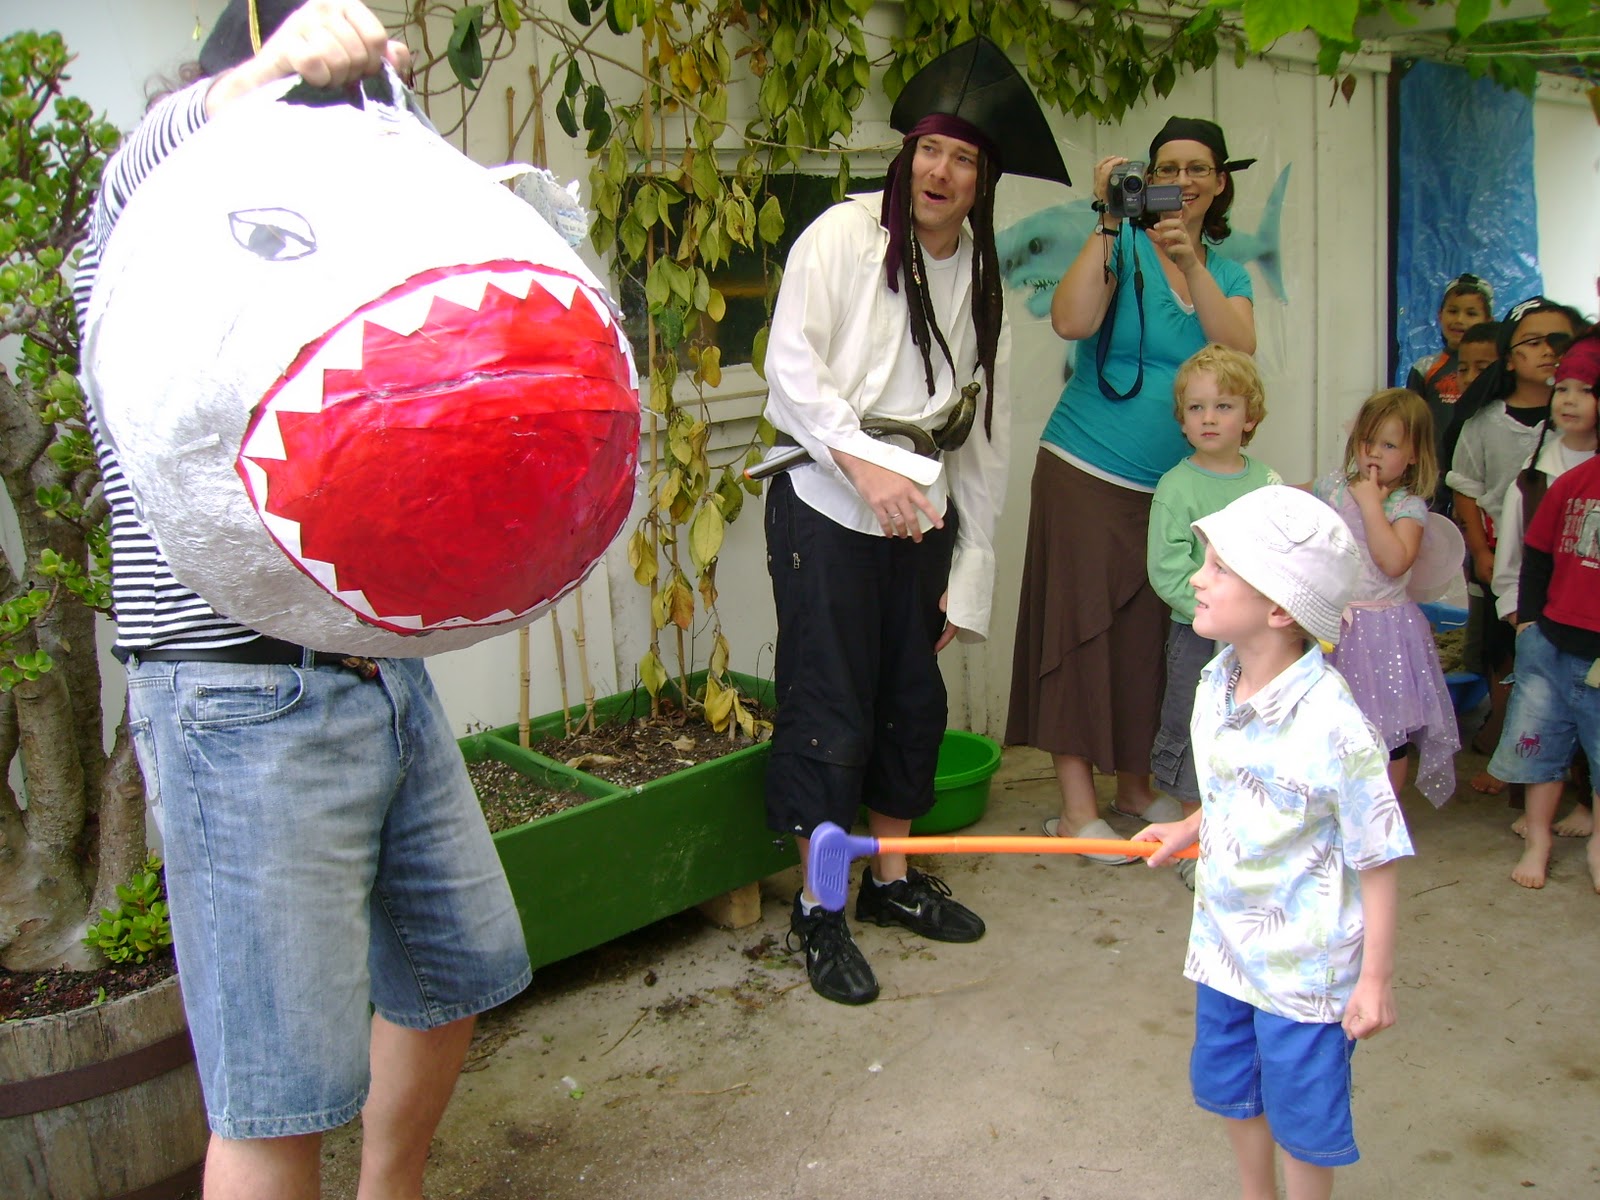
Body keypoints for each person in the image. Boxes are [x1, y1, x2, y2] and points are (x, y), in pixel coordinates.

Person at [77, 3, 532, 1195]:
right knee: (276, 1094)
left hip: (380, 673)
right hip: (236, 700)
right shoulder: (162, 221)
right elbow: (138, 169)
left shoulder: (338, 238)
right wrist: (270, 74)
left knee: (456, 972)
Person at [757, 38, 1070, 1006]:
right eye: (930, 149)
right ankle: (820, 907)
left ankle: (890, 884)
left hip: (919, 517)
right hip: (827, 507)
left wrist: (969, 565)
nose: (941, 171)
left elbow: (985, 432)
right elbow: (790, 369)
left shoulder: (978, 274)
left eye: (964, 158)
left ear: (983, 181)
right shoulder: (842, 237)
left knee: (910, 701)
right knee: (828, 707)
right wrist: (864, 468)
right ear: (907, 155)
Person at [1137, 486, 1413, 1200]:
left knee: (1302, 1117)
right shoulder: (1215, 680)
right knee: (1234, 1091)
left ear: (1280, 609)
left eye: (1219, 567)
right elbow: (1240, 789)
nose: (1198, 577)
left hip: (1303, 972)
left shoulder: (1335, 728)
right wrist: (1191, 826)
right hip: (1224, 948)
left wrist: (1375, 979)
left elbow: (1378, 855)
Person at [1008, 116, 1256, 855]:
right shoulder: (1119, 244)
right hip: (1086, 470)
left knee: (1156, 642)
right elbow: (1071, 319)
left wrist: (1192, 262)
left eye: (1197, 168)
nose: (1182, 181)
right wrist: (1108, 223)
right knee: (1080, 634)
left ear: (1219, 183)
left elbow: (1238, 349)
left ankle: (1136, 788)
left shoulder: (1228, 273)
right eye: (1166, 168)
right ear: (1145, 180)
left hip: (1177, 490)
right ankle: (1077, 809)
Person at [1146, 344, 1279, 882]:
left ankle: (1251, 835)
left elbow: (1282, 556)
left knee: (1258, 729)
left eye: (1224, 406)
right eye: (1196, 407)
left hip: (1262, 639)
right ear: (1182, 420)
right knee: (1195, 726)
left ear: (1250, 417)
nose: (1209, 418)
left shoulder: (1267, 483)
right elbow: (1167, 570)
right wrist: (1217, 613)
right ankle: (1197, 842)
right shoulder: (1176, 487)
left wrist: (1262, 615)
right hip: (1198, 637)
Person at [1444, 296, 1586, 796]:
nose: (1549, 351)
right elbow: (1465, 488)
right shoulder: (1485, 422)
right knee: (1505, 656)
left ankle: (1569, 772)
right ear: (1509, 358)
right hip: (1506, 556)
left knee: (1571, 666)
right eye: (1534, 341)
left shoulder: (1577, 420)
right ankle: (1511, 753)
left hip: (1574, 563)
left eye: (1560, 341)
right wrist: (1481, 552)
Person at [1314, 388, 1459, 805]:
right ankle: (1337, 807)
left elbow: (1394, 562)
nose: (1374, 453)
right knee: (1330, 725)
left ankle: (1381, 813)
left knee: (1385, 732)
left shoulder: (1406, 506)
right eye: (1367, 441)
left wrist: (1371, 506)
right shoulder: (1334, 487)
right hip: (1331, 627)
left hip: (1382, 635)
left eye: (1389, 445)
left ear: (1413, 455)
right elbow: (1288, 500)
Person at [1491, 332, 1599, 847]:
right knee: (1542, 731)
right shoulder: (1536, 476)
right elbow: (1519, 556)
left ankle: (1586, 806)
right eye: (1563, 389)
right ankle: (1540, 825)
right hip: (1548, 626)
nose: (1569, 401)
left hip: (1590, 631)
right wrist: (1524, 619)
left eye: (1585, 390)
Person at [1487, 445, 1600, 891]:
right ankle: (1537, 840)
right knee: (1539, 751)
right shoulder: (1574, 482)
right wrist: (1529, 622)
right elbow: (1536, 553)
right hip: (1550, 645)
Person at [1407, 273, 1494, 508]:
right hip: (1432, 474)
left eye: (1471, 313)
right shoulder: (1424, 368)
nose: (1460, 320)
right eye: (1453, 311)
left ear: (1488, 319)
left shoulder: (1496, 367)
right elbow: (1411, 423)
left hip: (1478, 475)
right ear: (1440, 315)